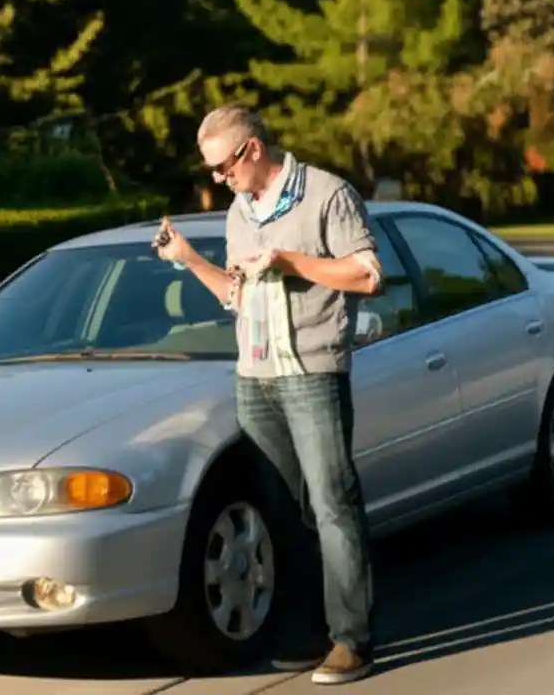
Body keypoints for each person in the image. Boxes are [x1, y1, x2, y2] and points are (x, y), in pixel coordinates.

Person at [153, 104, 383, 686]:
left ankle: (351, 640)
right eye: (212, 170)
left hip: (312, 372)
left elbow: (367, 275)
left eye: (223, 166)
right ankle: (309, 632)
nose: (218, 178)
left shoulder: (327, 194)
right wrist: (189, 259)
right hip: (255, 379)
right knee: (284, 509)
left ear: (252, 149)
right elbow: (238, 296)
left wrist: (289, 261)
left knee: (333, 505)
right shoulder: (239, 212)